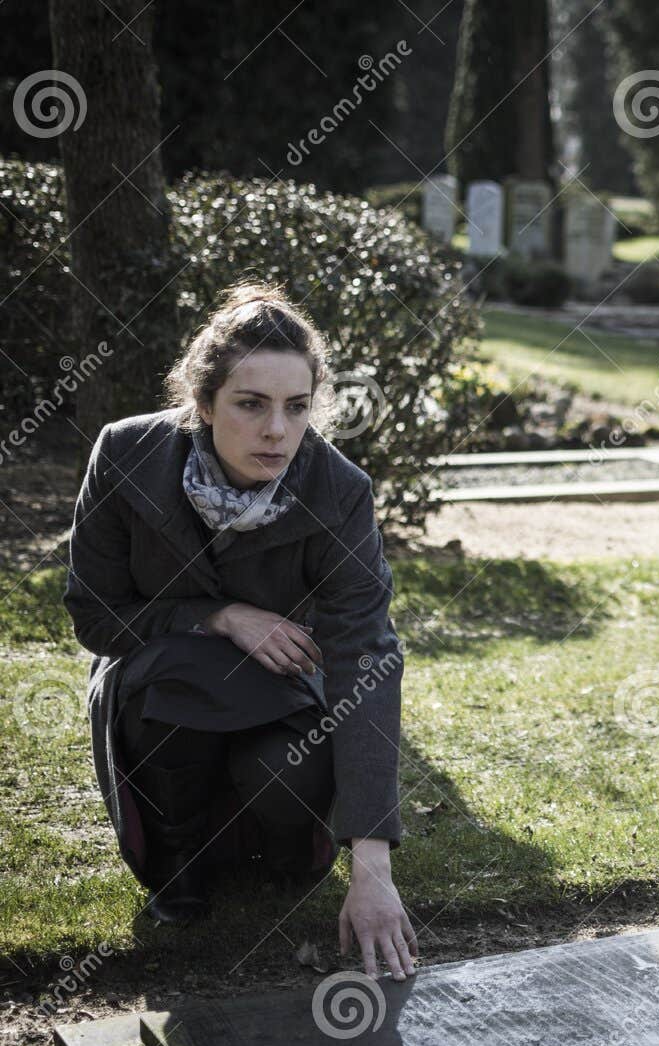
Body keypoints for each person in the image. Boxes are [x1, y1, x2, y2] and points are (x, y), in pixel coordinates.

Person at [62, 281, 418, 983]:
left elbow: (366, 654)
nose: (277, 431)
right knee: (178, 676)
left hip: (277, 694)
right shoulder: (125, 454)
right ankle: (178, 856)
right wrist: (217, 616)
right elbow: (94, 613)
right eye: (250, 405)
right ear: (202, 403)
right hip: (156, 688)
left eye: (296, 407)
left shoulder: (339, 490)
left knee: (285, 776)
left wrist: (371, 863)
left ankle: (284, 845)